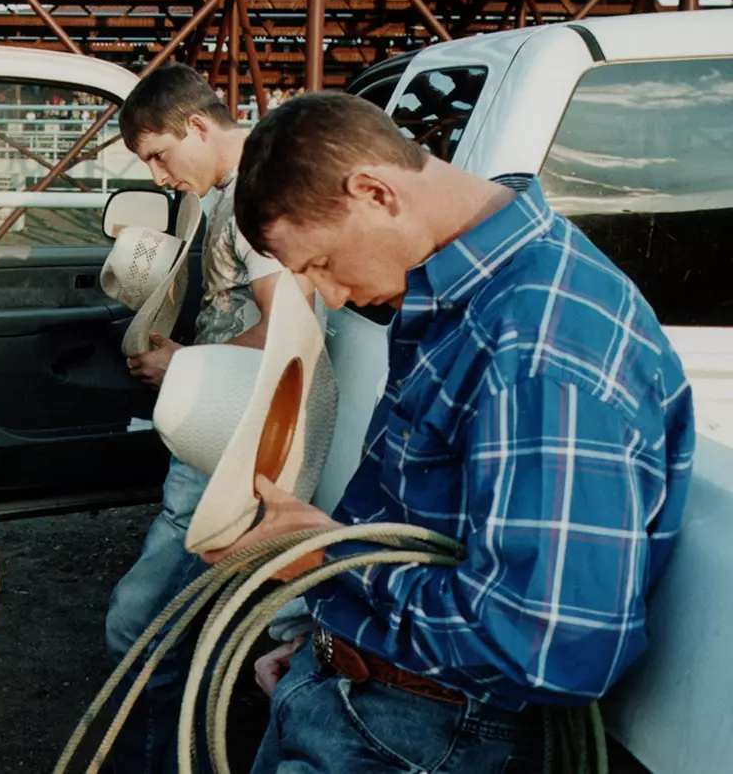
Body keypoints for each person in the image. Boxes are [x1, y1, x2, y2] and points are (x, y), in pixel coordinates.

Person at [227, 91, 696, 773]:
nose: (326, 295)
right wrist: (328, 637)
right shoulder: (468, 288)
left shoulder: (539, 346)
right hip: (370, 699)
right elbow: (421, 513)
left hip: (422, 733)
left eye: (321, 262)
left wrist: (326, 559)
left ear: (373, 192)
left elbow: (547, 645)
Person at [104, 63, 309, 774]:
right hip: (234, 434)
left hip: (234, 438)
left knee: (142, 624)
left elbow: (288, 321)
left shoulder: (253, 195)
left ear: (197, 125)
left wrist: (187, 364)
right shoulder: (234, 190)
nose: (159, 175)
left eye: (159, 154)